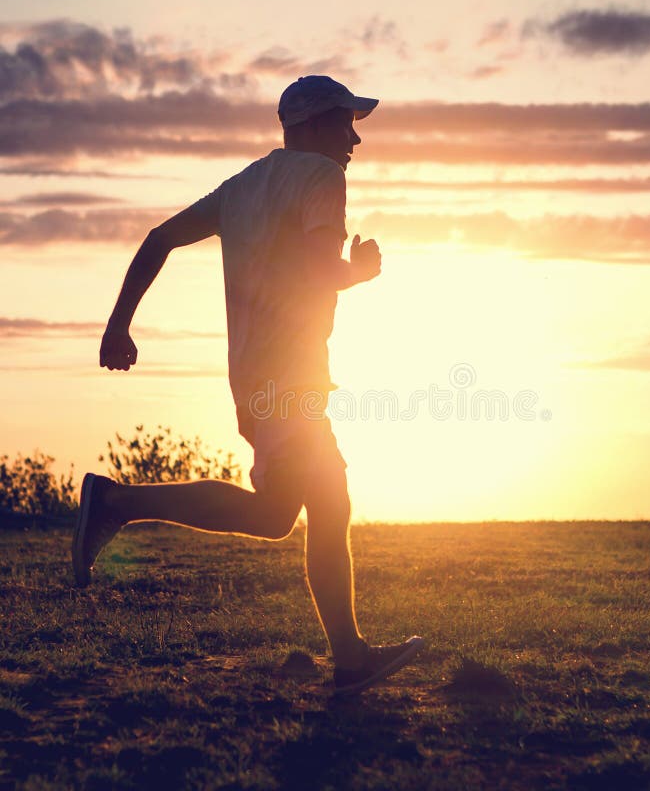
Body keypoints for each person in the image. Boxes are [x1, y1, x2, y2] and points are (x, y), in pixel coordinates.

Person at [71, 76, 423, 696]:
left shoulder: (243, 186)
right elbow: (320, 271)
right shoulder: (322, 177)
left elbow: (159, 239)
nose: (356, 137)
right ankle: (350, 659)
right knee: (330, 502)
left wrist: (117, 324)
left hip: (255, 377)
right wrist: (362, 272)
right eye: (347, 123)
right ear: (312, 126)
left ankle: (116, 503)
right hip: (290, 376)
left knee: (277, 515)